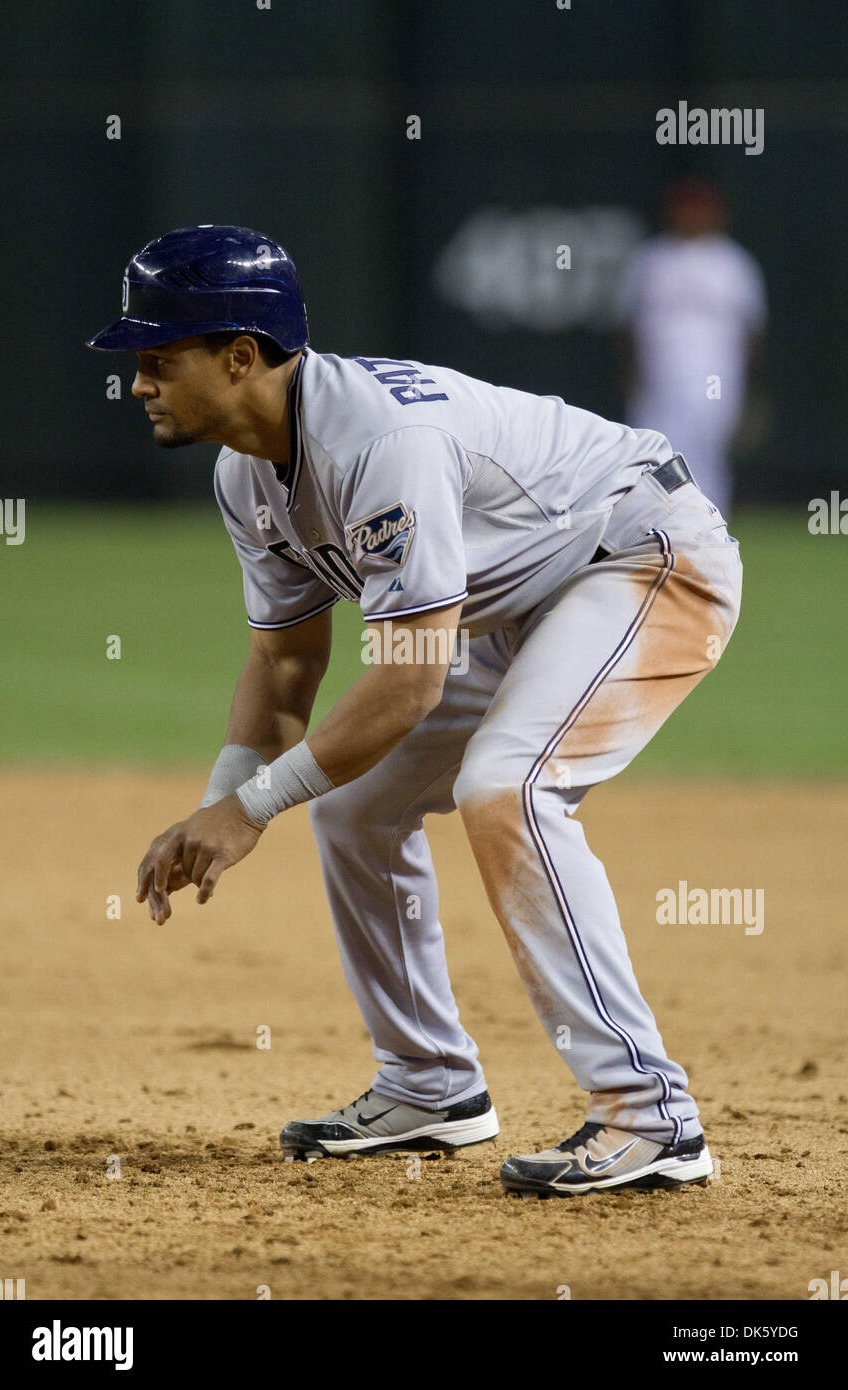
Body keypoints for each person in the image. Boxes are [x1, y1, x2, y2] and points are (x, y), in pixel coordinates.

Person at [88, 224, 742, 1198]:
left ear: (239, 356)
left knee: (508, 787)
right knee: (354, 807)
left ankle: (652, 1117)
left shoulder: (380, 446)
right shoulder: (244, 473)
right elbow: (284, 662)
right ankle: (429, 1081)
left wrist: (253, 808)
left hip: (641, 553)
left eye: (159, 356)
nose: (138, 380)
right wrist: (222, 800)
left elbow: (406, 685)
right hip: (524, 601)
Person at [616, 177, 767, 517]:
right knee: (656, 456)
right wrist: (632, 378)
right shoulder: (652, 260)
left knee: (708, 457)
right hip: (660, 381)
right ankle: (658, 531)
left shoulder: (733, 263)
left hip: (717, 380)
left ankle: (710, 532)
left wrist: (754, 393)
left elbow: (751, 334)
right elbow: (628, 328)